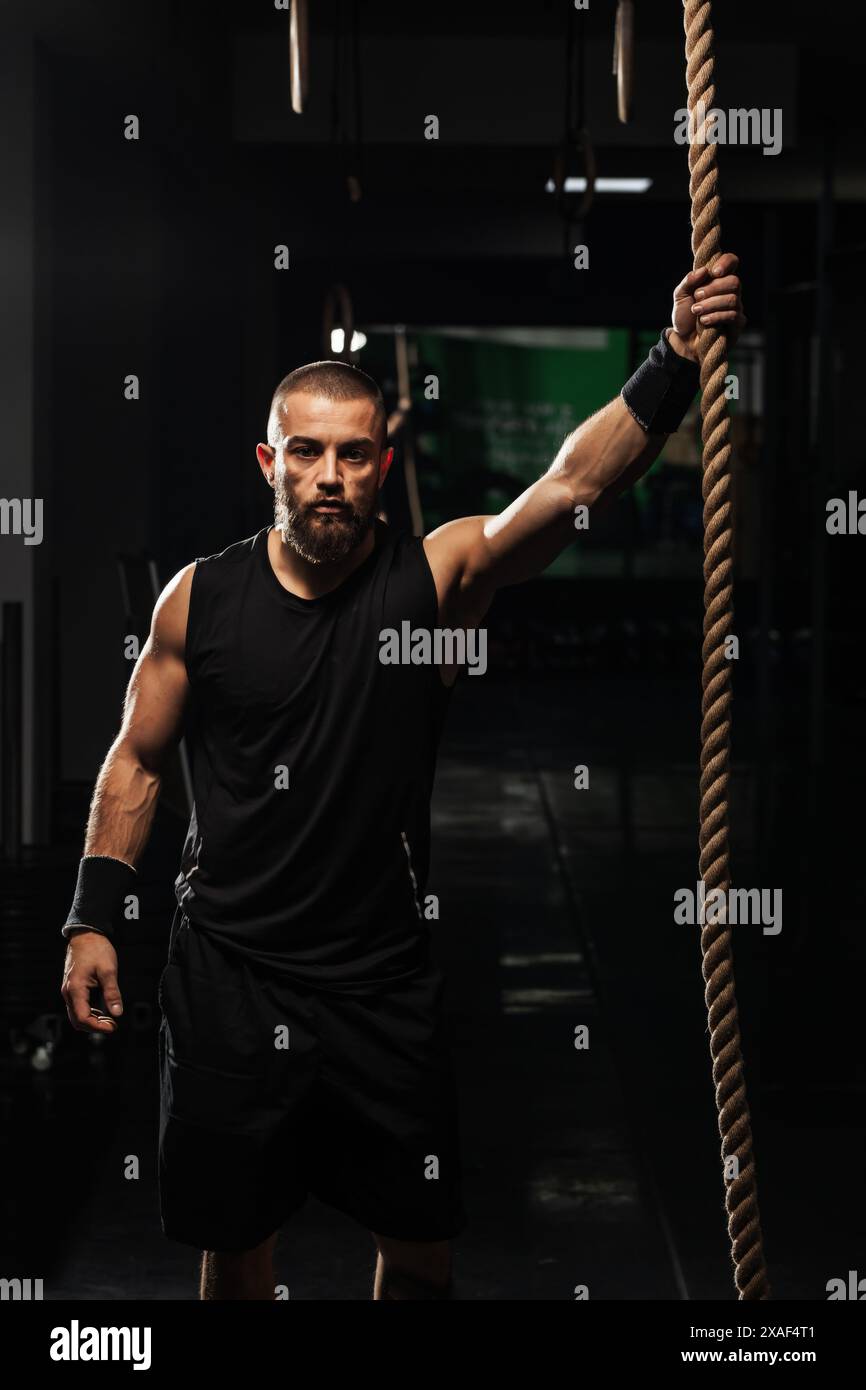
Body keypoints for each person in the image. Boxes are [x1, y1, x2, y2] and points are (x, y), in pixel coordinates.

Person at [59, 255, 745, 1300]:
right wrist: (93, 913)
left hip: (381, 981)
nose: (328, 475)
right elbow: (138, 758)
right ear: (268, 461)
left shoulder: (433, 580)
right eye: (305, 453)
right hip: (230, 978)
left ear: (384, 462)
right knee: (235, 1244)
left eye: (351, 453)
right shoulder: (197, 602)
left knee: (418, 1245)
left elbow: (568, 484)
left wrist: (672, 359)